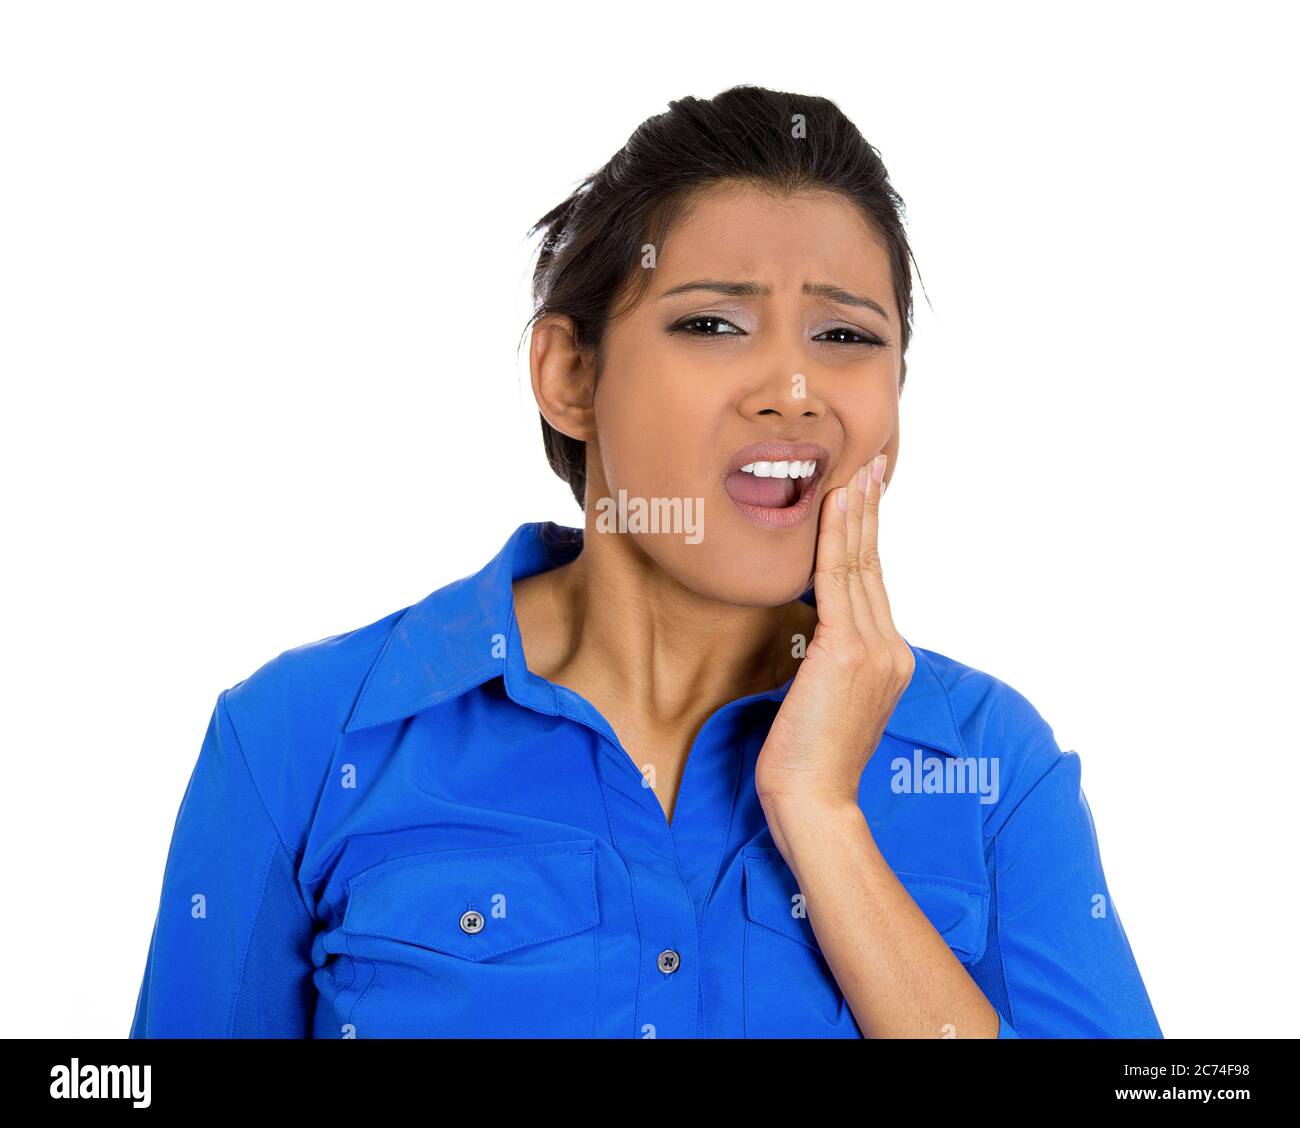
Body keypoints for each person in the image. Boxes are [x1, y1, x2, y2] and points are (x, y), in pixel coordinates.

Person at [129, 84, 1162, 1039]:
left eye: (846, 336)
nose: (793, 390)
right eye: (711, 322)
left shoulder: (989, 765)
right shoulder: (299, 739)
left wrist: (822, 816)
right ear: (570, 373)